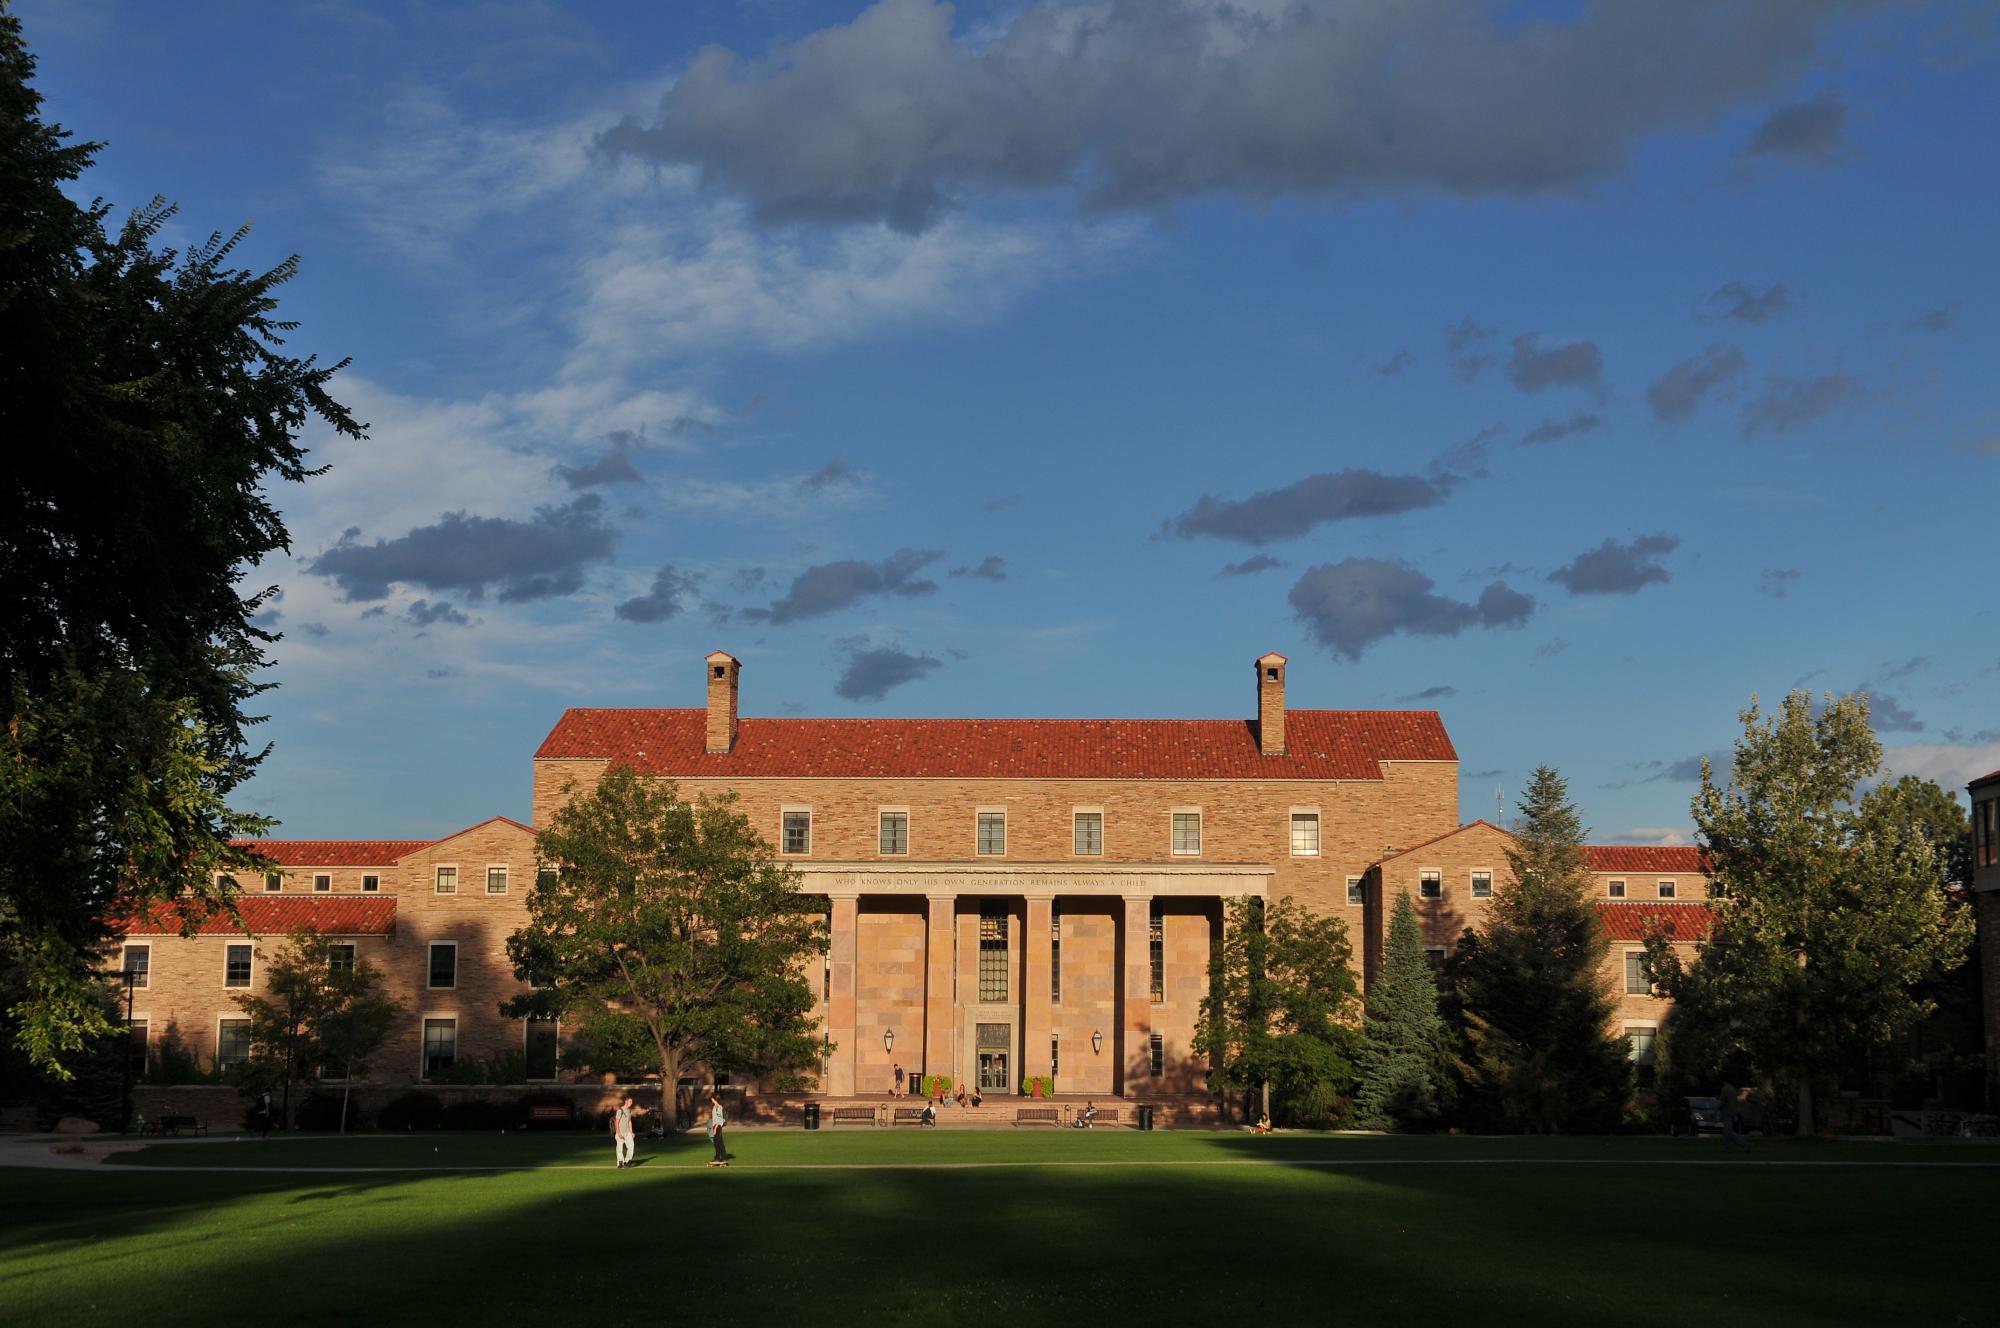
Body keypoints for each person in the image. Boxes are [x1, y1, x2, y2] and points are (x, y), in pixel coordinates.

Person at [612, 1095, 636, 1169]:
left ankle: (627, 1161)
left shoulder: (629, 1111)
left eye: (631, 1102)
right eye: (630, 1101)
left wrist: (631, 1132)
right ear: (626, 1101)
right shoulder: (620, 1110)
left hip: (627, 1132)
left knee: (631, 1145)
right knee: (619, 1148)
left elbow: (629, 1122)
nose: (631, 1103)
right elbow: (616, 1122)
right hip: (620, 1132)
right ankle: (620, 1162)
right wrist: (618, 1133)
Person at [705, 1092, 729, 1167]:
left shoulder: (719, 1107)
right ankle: (724, 1157)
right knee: (720, 1142)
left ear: (715, 1098)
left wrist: (715, 1129)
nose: (711, 1099)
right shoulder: (715, 1107)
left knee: (716, 1142)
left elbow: (720, 1120)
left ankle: (718, 1158)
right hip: (715, 1125)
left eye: (712, 1098)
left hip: (718, 1126)